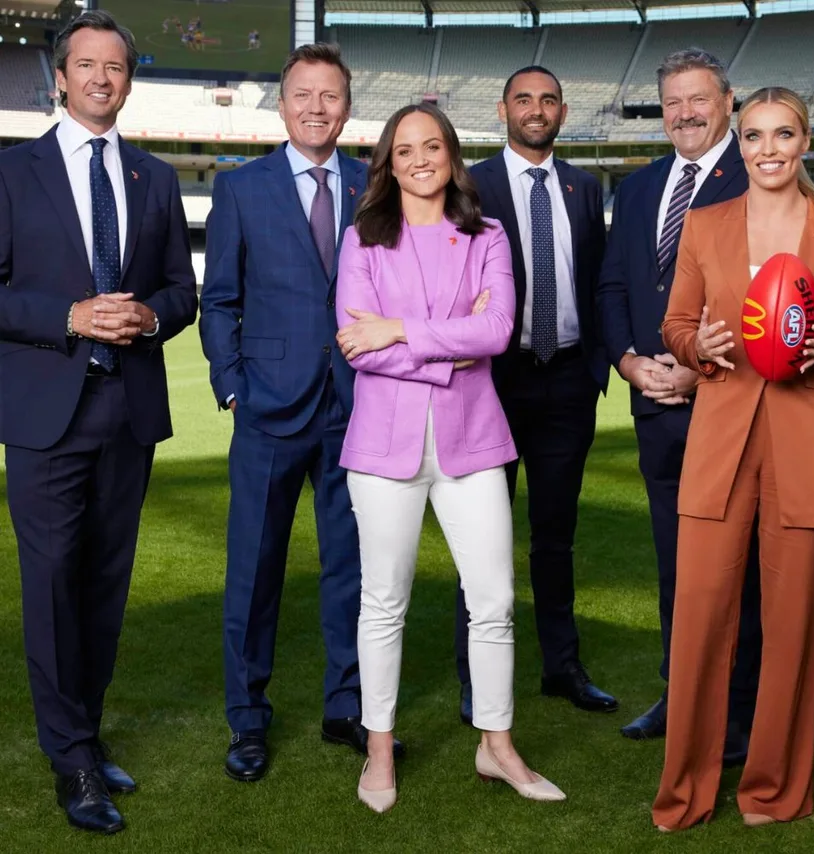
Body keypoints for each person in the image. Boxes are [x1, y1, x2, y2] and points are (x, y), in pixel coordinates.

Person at [334, 101, 565, 813]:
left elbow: (495, 332)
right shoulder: (361, 239)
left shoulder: (487, 233)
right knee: (383, 603)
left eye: (432, 146)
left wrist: (400, 331)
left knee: (493, 601)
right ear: (389, 163)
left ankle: (496, 745)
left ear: (451, 154)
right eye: (405, 150)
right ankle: (379, 748)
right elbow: (354, 343)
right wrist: (448, 348)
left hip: (474, 442)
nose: (420, 159)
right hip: (382, 448)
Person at [652, 86, 814, 831]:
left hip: (804, 439)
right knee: (701, 618)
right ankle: (685, 790)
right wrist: (696, 345)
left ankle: (775, 790)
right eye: (754, 136)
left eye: (783, 135)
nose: (768, 149)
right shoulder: (705, 223)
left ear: (805, 142)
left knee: (791, 625)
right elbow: (677, 322)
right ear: (738, 144)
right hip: (720, 437)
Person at [0, 11, 197, 834]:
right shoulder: (14, 174)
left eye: (115, 66)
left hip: (127, 412)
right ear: (61, 75)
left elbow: (180, 295)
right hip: (46, 416)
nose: (101, 78)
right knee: (50, 589)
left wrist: (149, 319)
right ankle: (73, 760)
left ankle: (85, 729)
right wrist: (70, 315)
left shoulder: (153, 178)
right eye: (86, 64)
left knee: (103, 591)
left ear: (128, 79)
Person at [200, 43, 397, 785]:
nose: (318, 108)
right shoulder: (241, 189)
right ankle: (247, 720)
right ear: (282, 105)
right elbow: (218, 299)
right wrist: (232, 386)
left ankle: (345, 705)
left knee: (352, 567)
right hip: (267, 409)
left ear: (348, 107)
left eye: (332, 96)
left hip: (356, 409)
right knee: (253, 573)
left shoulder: (370, 188)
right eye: (304, 95)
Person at [596, 48, 762, 748]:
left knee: (737, 566)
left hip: (726, 400)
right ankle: (680, 692)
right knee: (676, 561)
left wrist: (698, 368)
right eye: (672, 102)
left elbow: (767, 297)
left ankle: (738, 713)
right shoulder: (638, 189)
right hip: (654, 406)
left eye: (698, 99)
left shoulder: (757, 175)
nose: (685, 113)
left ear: (727, 102)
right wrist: (631, 363)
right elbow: (614, 289)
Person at [456, 65, 616, 723]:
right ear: (503, 109)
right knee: (482, 540)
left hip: (569, 380)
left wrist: (599, 366)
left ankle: (562, 666)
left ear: (563, 110)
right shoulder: (474, 183)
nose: (536, 108)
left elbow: (600, 280)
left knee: (555, 534)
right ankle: (476, 675)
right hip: (494, 381)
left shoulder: (583, 186)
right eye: (524, 98)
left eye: (548, 99)